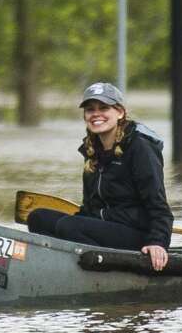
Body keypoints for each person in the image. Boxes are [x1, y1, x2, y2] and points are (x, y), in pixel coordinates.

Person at [27, 81, 173, 270]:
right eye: (90, 109)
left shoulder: (140, 148)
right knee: (38, 217)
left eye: (104, 108)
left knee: (68, 227)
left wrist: (158, 242)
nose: (96, 114)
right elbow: (90, 206)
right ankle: (57, 268)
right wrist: (78, 221)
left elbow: (159, 206)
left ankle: (99, 271)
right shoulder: (92, 150)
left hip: (137, 234)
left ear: (120, 112)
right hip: (104, 227)